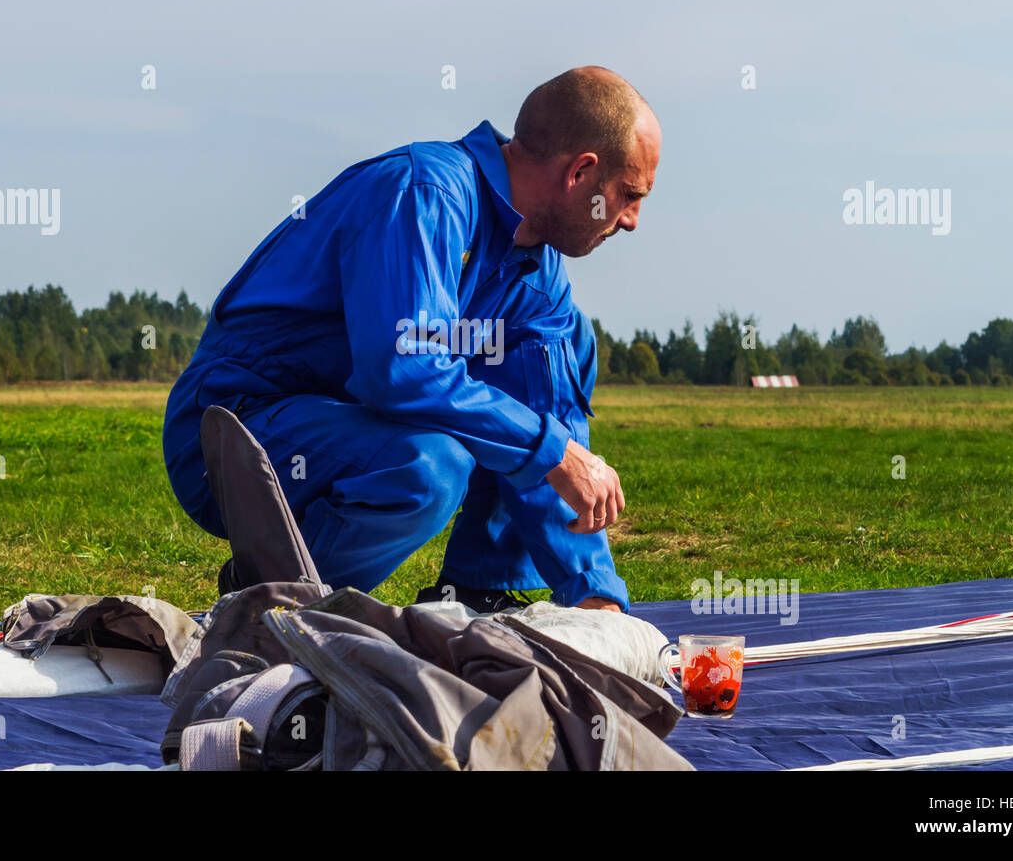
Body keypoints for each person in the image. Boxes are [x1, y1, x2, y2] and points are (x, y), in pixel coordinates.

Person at [163, 65, 660, 613]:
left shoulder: (537, 273)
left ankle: (479, 586)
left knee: (568, 350)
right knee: (431, 464)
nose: (633, 220)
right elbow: (404, 372)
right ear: (581, 172)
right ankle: (266, 604)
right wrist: (551, 451)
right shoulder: (424, 193)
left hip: (355, 427)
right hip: (233, 430)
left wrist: (595, 597)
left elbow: (551, 418)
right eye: (630, 194)